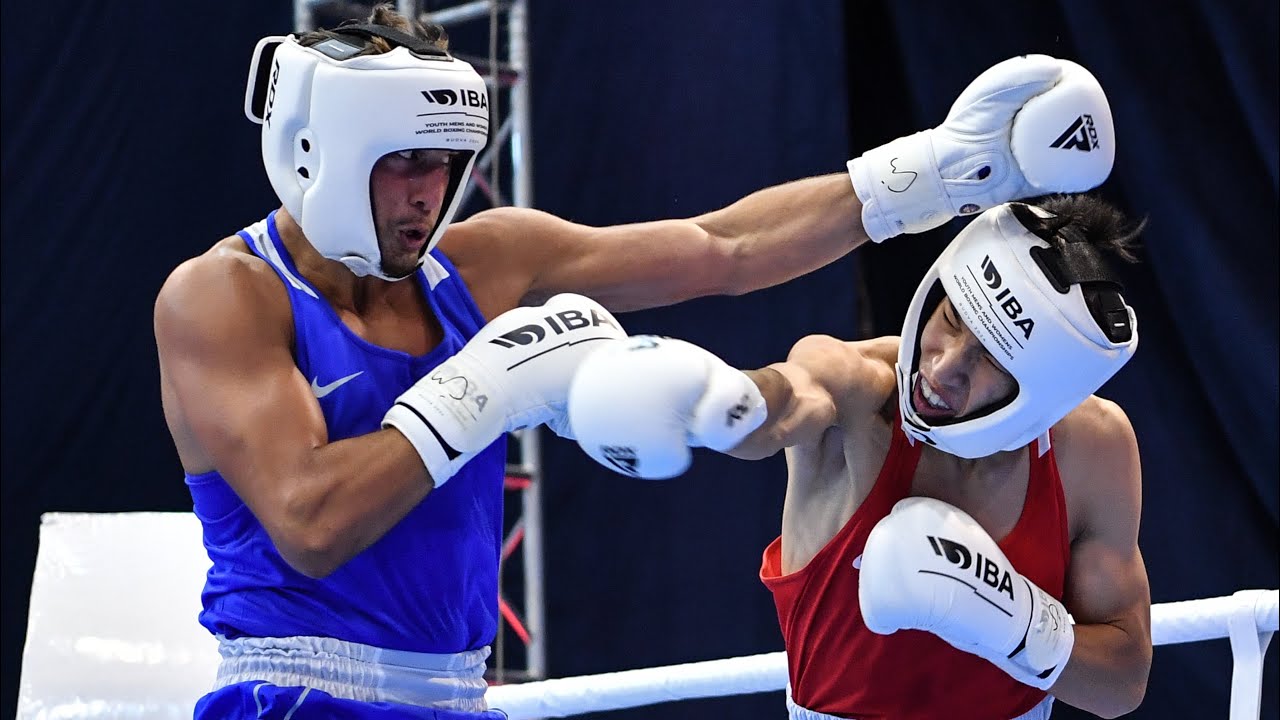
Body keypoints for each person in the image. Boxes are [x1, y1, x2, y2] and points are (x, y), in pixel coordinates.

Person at [152, 4, 1114, 717]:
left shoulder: (483, 262)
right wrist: (490, 385)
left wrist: (938, 170)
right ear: (316, 147)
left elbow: (723, 247)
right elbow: (310, 523)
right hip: (293, 695)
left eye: (445, 162)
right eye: (404, 161)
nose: (430, 193)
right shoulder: (224, 296)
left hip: (453, 696)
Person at [568, 192, 1152, 720]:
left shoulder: (1092, 448)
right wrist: (718, 397)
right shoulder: (859, 392)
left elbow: (1123, 683)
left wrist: (1016, 623)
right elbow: (791, 400)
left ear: (1045, 392)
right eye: (951, 319)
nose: (944, 366)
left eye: (990, 358)